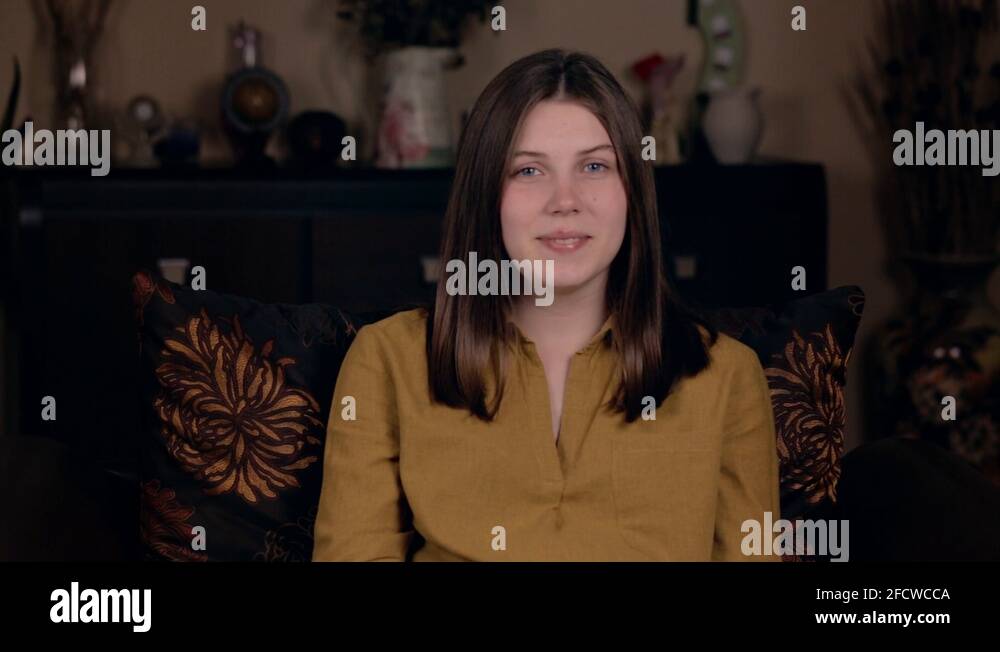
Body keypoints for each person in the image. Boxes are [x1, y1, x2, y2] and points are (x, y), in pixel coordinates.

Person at [312, 48, 780, 561]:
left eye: (596, 166)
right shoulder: (386, 359)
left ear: (633, 193)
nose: (566, 199)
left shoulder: (729, 376)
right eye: (529, 171)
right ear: (485, 195)